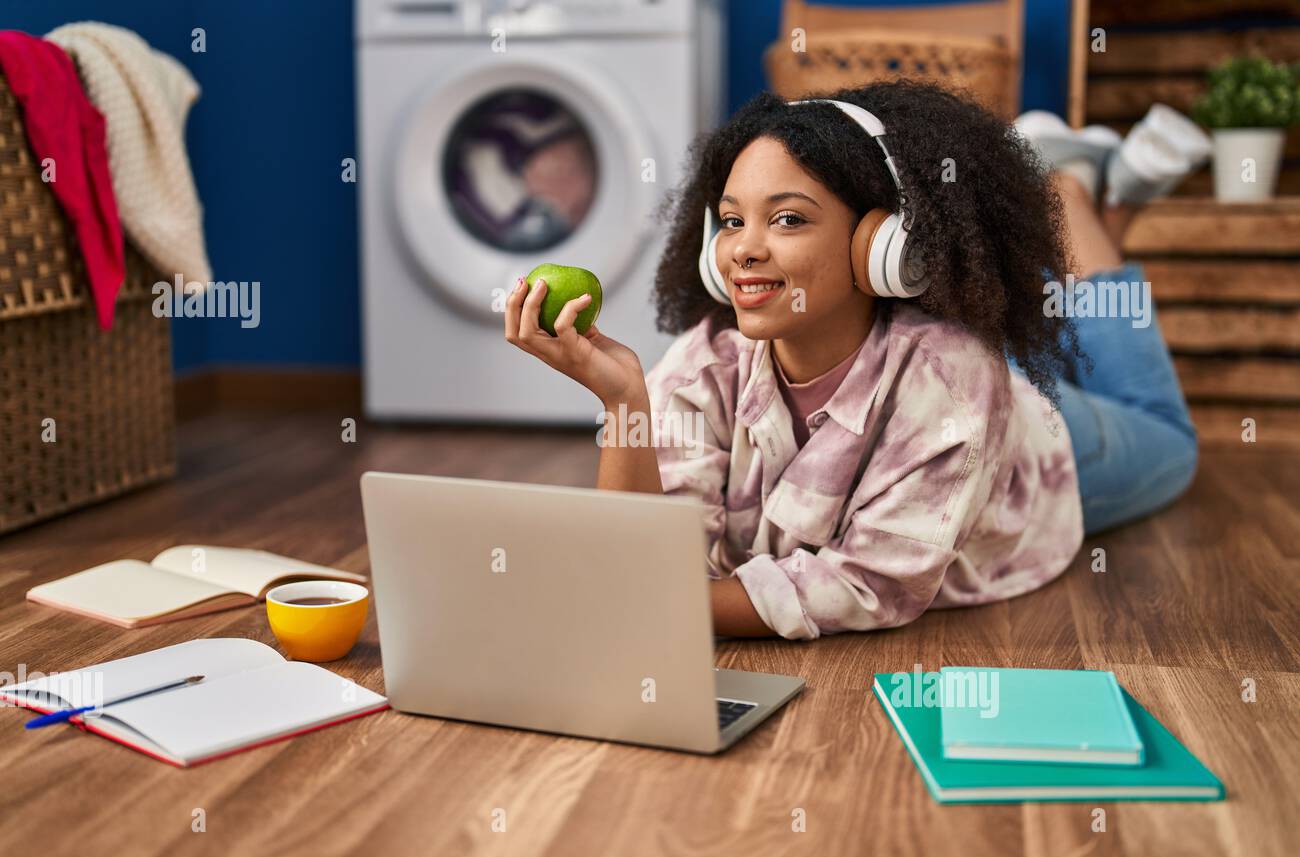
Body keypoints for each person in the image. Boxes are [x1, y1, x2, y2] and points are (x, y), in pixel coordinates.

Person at [502, 81, 1203, 641]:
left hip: (1032, 440)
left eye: (788, 218)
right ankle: (1096, 203)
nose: (744, 247)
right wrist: (624, 399)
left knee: (1167, 435)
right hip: (938, 393)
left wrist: (656, 608)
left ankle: (1070, 198)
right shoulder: (703, 363)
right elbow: (651, 563)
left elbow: (868, 584)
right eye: (733, 218)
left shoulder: (952, 386)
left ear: (882, 244)